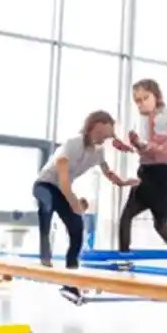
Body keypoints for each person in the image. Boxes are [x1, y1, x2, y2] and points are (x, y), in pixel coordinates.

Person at [34, 110, 137, 305]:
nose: (101, 138)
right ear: (90, 128)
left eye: (105, 135)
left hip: (62, 190)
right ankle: (44, 257)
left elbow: (108, 172)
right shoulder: (72, 144)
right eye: (98, 133)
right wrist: (74, 202)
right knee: (47, 206)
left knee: (77, 228)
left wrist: (123, 182)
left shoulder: (98, 152)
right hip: (45, 184)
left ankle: (70, 282)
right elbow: (63, 179)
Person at [116, 79, 167, 274]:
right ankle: (124, 259)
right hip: (145, 173)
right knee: (126, 218)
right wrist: (130, 145)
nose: (141, 103)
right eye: (138, 100)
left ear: (156, 96)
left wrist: (138, 144)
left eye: (145, 98)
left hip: (160, 176)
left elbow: (159, 151)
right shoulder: (142, 119)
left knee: (160, 225)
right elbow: (144, 149)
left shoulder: (161, 117)